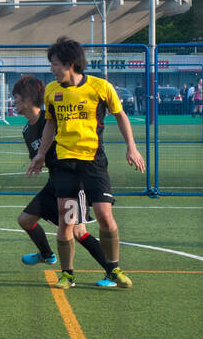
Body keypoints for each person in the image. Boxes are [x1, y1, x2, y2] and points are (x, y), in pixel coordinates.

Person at [27, 36, 145, 291]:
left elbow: (120, 116)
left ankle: (113, 268)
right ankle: (67, 274)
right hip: (65, 164)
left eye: (54, 63)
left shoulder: (100, 87)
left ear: (70, 63)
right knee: (67, 219)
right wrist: (40, 155)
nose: (51, 68)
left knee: (105, 216)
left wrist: (132, 148)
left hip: (93, 162)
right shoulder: (51, 91)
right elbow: (50, 124)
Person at [11, 75, 117, 287]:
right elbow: (40, 156)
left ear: (29, 99)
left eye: (16, 98)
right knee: (25, 220)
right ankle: (47, 254)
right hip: (54, 182)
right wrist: (37, 162)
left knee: (78, 231)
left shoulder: (49, 121)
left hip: (72, 181)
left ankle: (112, 272)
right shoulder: (26, 130)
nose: (13, 102)